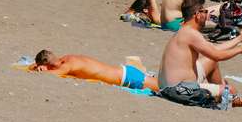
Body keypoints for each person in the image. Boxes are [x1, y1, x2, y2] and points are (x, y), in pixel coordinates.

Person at [155, 0, 242, 110]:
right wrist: (239, 49)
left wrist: (240, 39)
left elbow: (214, 50)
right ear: (197, 15)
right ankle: (230, 97)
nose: (207, 15)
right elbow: (217, 55)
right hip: (177, 89)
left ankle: (221, 91)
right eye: (205, 11)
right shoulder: (191, 34)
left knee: (211, 62)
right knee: (230, 90)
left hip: (169, 85)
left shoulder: (185, 31)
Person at [29, 50, 158, 91]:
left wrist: (41, 69)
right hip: (125, 71)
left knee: (167, 88)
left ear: (48, 64)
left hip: (127, 79)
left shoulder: (67, 66)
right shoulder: (68, 58)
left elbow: (51, 74)